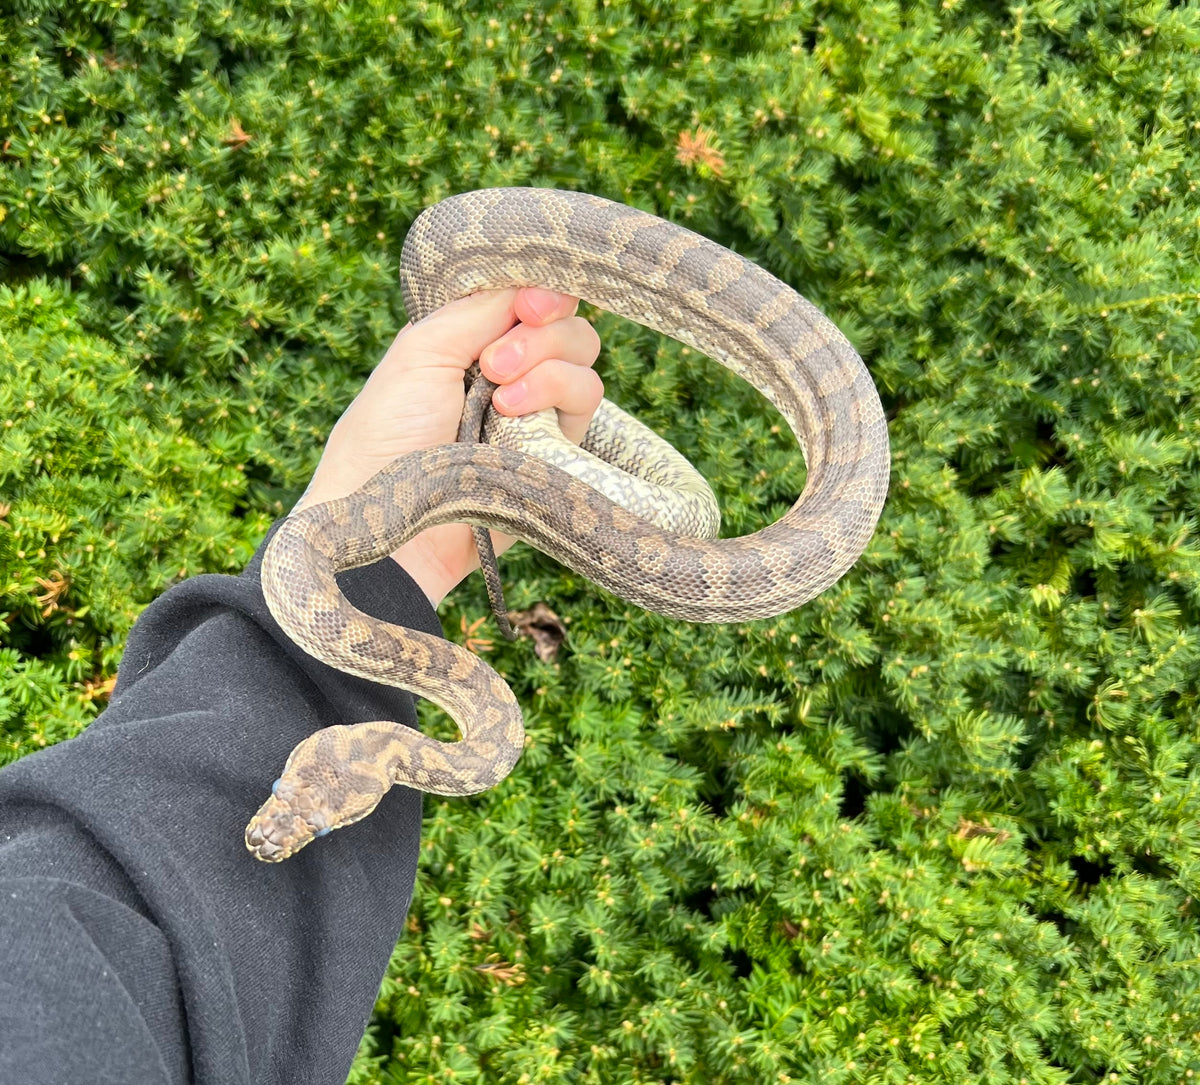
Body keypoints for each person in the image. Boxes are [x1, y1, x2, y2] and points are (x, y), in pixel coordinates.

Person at [0, 287, 602, 1085]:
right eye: (308, 816)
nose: (277, 822)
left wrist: (393, 543)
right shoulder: (467, 746)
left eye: (289, 793)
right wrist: (407, 559)